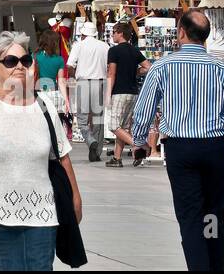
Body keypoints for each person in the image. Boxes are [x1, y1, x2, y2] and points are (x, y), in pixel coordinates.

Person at [129, 9, 224, 271]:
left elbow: (144, 110)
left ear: (181, 32)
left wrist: (139, 142)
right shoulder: (222, 69)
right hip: (214, 149)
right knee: (212, 215)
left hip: (180, 149)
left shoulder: (162, 66)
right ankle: (214, 266)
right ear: (205, 37)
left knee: (189, 216)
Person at [0, 31, 81, 271]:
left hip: (41, 218)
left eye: (25, 61)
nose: (20, 67)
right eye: (11, 62)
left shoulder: (44, 107)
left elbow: (62, 158)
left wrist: (76, 198)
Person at [104, 23, 149, 167]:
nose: (112, 35)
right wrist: (135, 72)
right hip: (133, 92)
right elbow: (148, 67)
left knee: (113, 126)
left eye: (113, 32)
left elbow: (111, 72)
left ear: (120, 33)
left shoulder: (114, 51)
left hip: (119, 92)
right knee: (123, 127)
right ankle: (117, 158)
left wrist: (107, 93)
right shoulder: (134, 50)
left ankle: (139, 146)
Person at [66, 23, 109, 162]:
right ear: (95, 33)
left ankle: (91, 142)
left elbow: (70, 65)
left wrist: (74, 77)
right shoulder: (104, 46)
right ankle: (96, 152)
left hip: (83, 83)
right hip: (100, 82)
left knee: (82, 119)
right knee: (98, 119)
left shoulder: (78, 45)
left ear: (83, 34)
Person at [34, 30, 71, 142]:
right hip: (54, 94)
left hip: (39, 94)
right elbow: (61, 81)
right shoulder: (59, 59)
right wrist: (66, 100)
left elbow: (32, 76)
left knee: (40, 123)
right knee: (56, 125)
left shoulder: (35, 57)